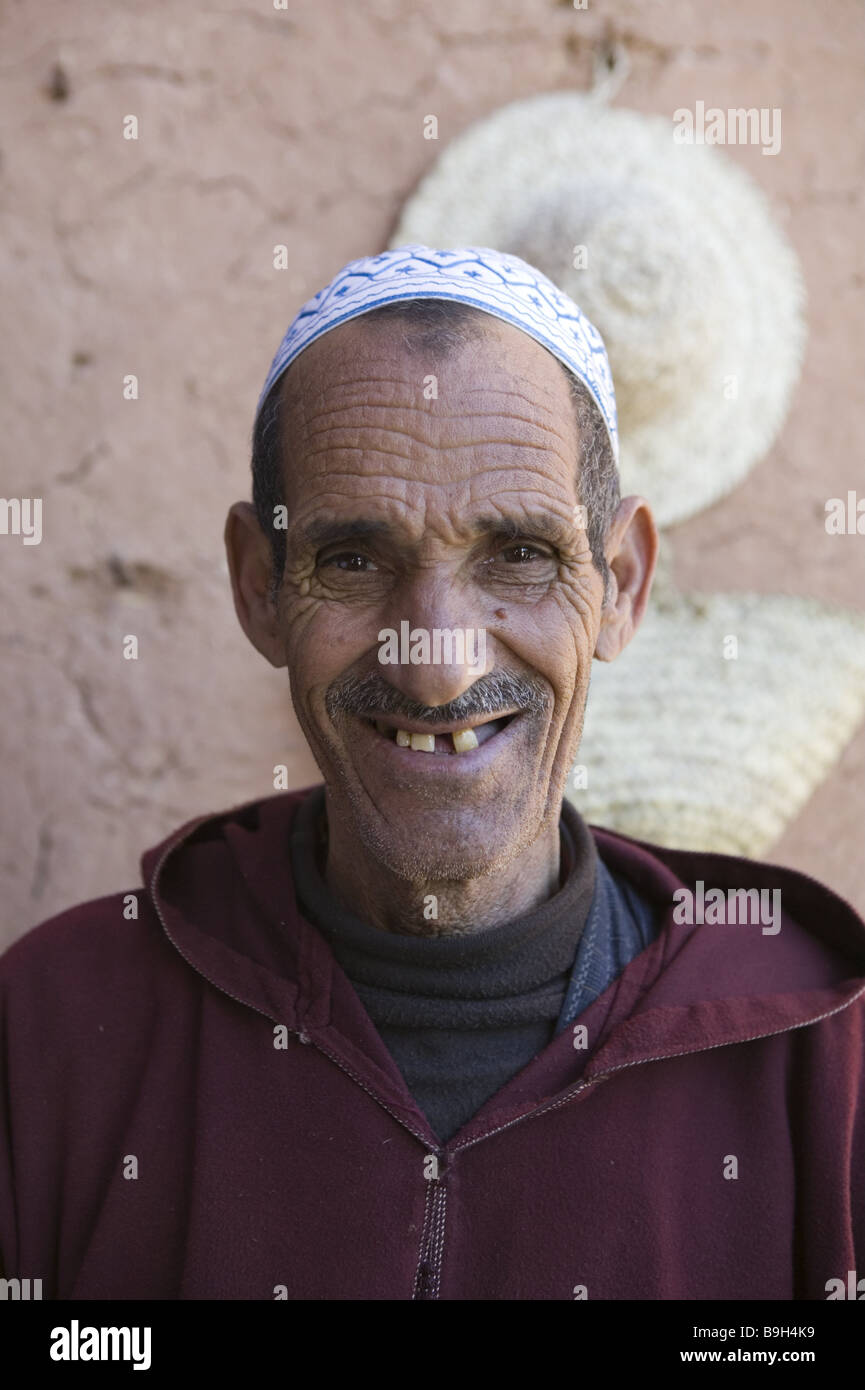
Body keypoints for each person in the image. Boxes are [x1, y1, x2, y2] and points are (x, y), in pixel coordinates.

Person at [1, 247, 862, 1301]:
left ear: (622, 585)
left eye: (519, 555)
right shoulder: (50, 1032)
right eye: (354, 562)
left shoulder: (821, 1066)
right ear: (259, 587)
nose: (439, 659)